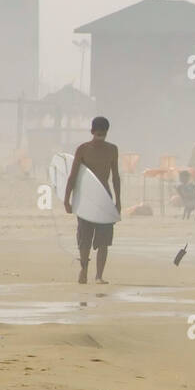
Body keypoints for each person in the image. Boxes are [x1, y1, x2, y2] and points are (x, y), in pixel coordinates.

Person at [64, 116, 121, 285]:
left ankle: (99, 276)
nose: (100, 138)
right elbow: (72, 176)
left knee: (104, 240)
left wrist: (118, 201)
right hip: (85, 199)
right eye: (97, 134)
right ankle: (83, 269)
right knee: (84, 238)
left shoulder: (112, 150)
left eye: (103, 135)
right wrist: (67, 199)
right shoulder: (83, 149)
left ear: (107, 133)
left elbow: (116, 177)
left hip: (105, 199)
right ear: (91, 132)